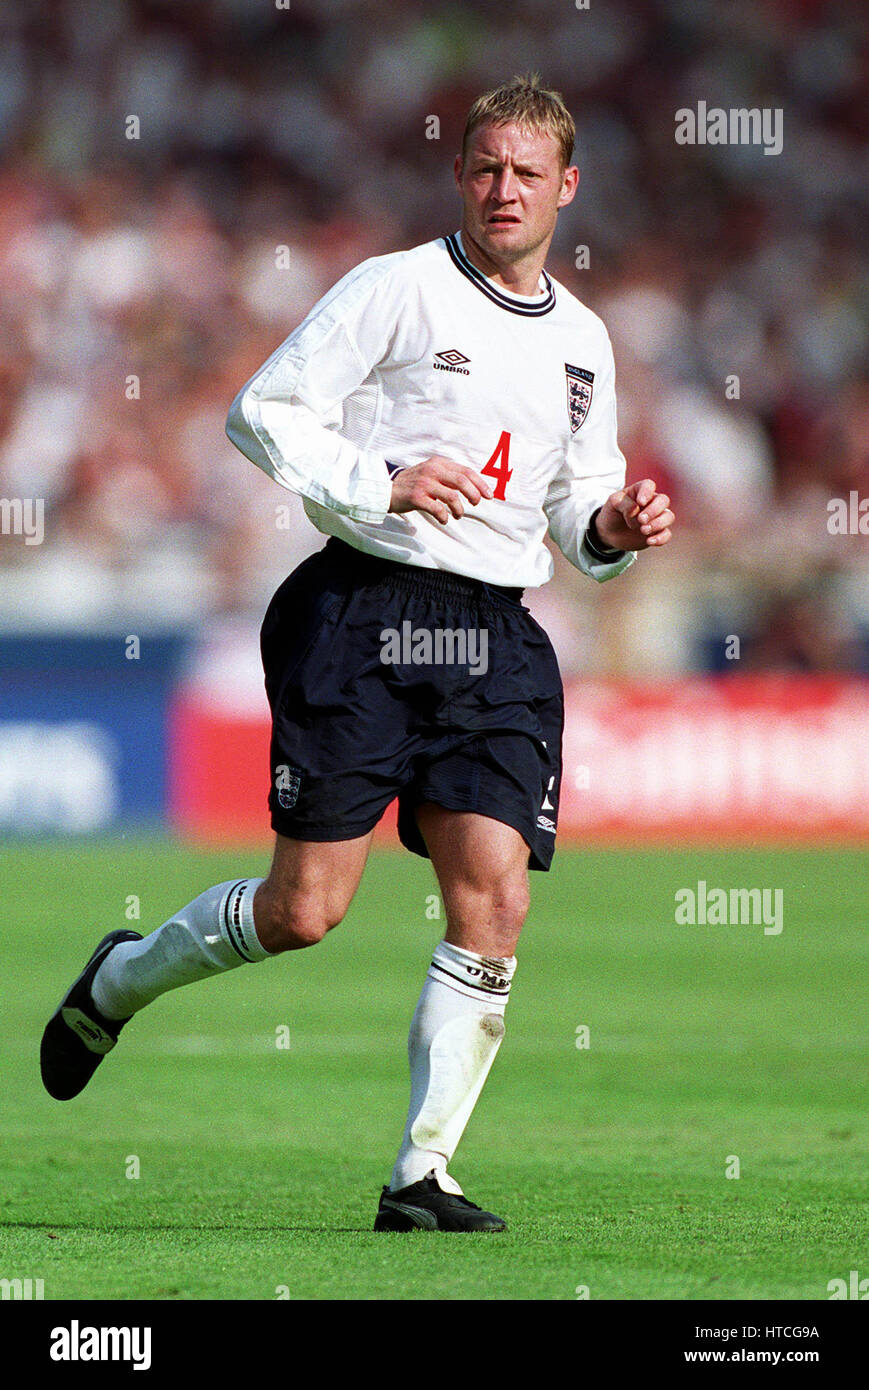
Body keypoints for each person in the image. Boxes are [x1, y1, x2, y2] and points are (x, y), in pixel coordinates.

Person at [41, 75, 675, 1233]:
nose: (503, 189)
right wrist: (379, 481)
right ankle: (120, 978)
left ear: (566, 188)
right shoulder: (396, 288)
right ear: (459, 174)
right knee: (303, 912)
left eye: (526, 173)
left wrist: (611, 534)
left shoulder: (583, 344)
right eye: (485, 167)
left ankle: (419, 1176)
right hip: (362, 614)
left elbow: (577, 513)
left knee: (490, 897)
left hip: (496, 634)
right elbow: (262, 411)